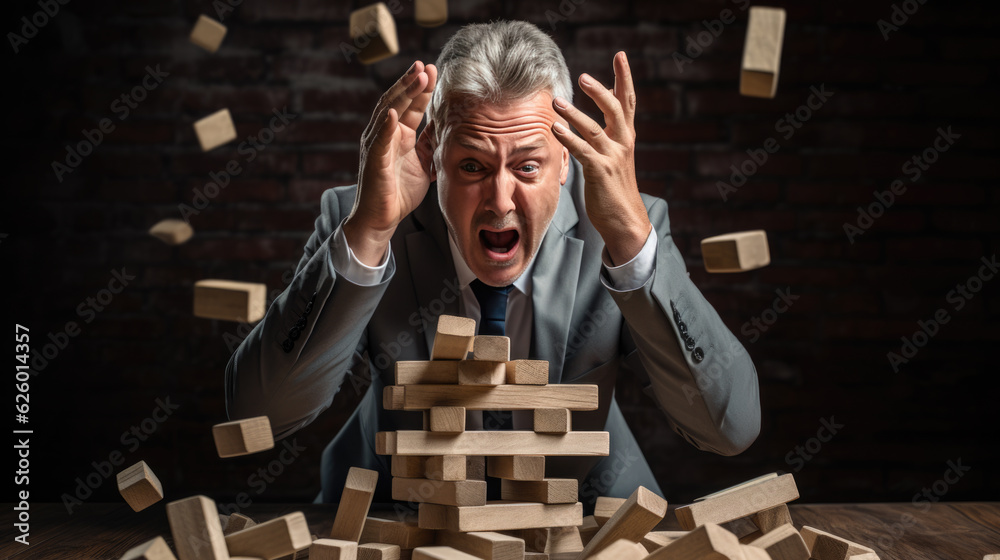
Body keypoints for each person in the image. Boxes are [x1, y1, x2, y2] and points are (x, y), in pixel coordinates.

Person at [225, 20, 760, 511]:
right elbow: (258, 415)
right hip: (393, 516)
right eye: (473, 166)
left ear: (566, 163)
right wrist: (368, 233)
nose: (500, 201)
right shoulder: (362, 219)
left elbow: (731, 427)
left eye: (527, 166)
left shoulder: (618, 232)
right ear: (434, 156)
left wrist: (632, 242)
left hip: (589, 518)